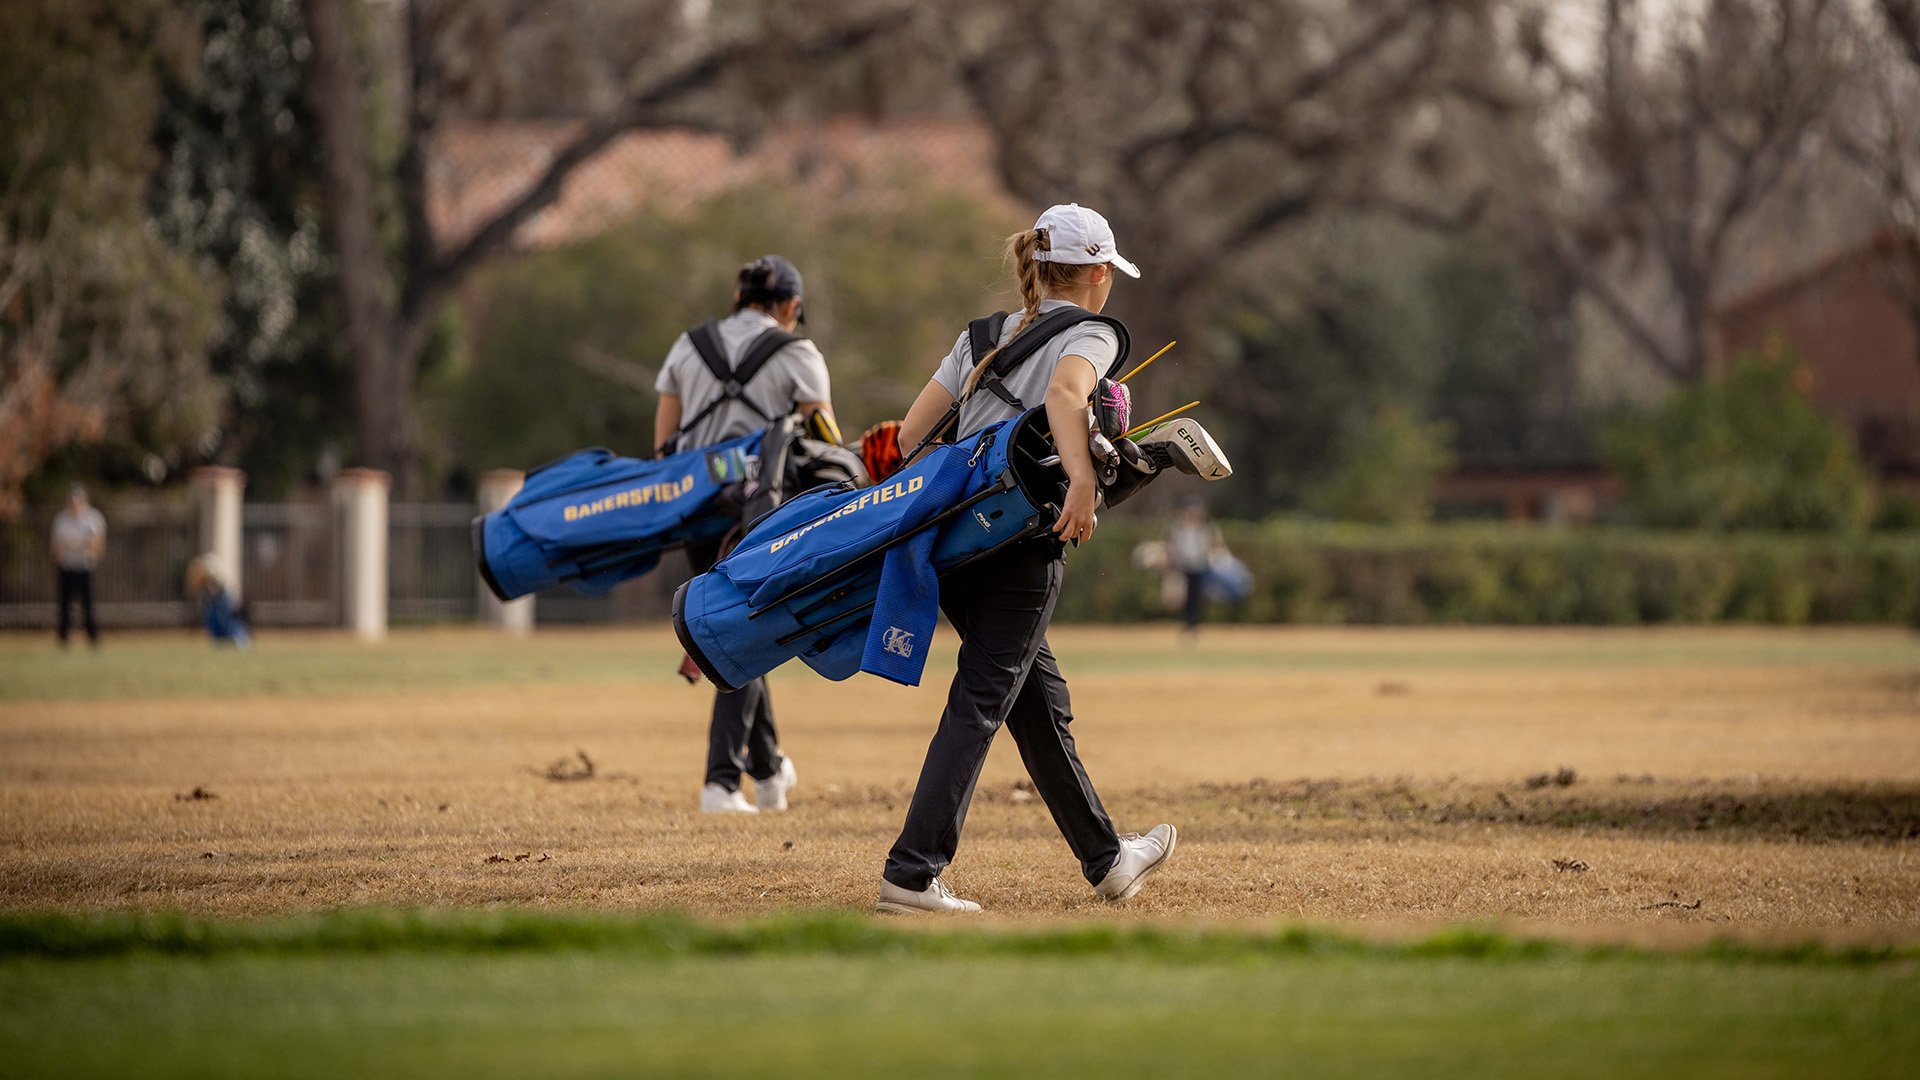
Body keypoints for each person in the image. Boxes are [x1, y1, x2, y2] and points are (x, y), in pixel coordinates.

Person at [877, 203, 1177, 913]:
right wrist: (1080, 479)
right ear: (1099, 272)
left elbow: (911, 435)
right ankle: (911, 874)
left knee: (1037, 702)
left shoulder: (983, 332)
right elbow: (1066, 392)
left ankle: (1108, 861)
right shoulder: (1096, 331)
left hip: (953, 541)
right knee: (983, 700)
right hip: (1021, 542)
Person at [654, 254, 834, 815]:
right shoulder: (798, 353)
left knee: (737, 627)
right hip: (762, 516)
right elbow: (825, 442)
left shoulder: (689, 345)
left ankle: (769, 767)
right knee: (744, 634)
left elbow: (664, 441)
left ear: (737, 300)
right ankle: (720, 782)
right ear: (791, 307)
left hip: (696, 513)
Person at [50, 484, 105, 649]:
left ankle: (92, 637)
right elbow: (55, 545)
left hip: (84, 566)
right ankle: (63, 638)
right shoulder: (61, 519)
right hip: (66, 566)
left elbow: (98, 543)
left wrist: (84, 548)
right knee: (64, 605)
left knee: (88, 606)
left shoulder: (92, 518)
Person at [1169, 496, 1224, 640]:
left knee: (1197, 597)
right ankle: (1188, 624)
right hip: (1184, 567)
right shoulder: (1179, 529)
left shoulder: (1203, 529)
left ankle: (1195, 625)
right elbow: (1175, 547)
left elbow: (1209, 546)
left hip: (1199, 567)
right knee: (1184, 598)